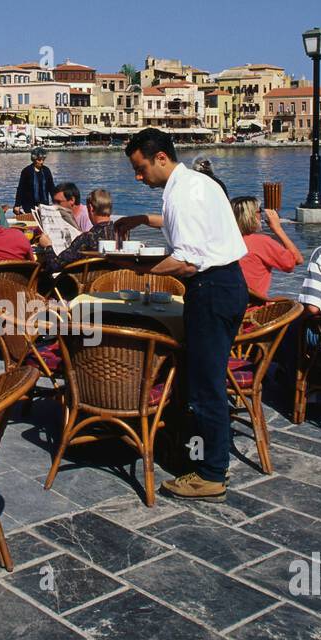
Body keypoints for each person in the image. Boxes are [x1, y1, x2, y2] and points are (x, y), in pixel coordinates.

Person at [112, 127, 247, 502]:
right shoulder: (196, 184)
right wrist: (143, 218)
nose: (138, 177)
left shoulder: (183, 194)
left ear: (160, 158)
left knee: (205, 386)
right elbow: (186, 227)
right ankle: (200, 452)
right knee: (203, 377)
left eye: (140, 169)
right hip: (228, 284)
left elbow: (187, 263)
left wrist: (137, 269)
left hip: (210, 289)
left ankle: (210, 473)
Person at [232, 195, 304, 300]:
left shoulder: (224, 242)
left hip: (228, 305)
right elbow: (297, 260)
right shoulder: (261, 242)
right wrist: (278, 229)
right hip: (254, 309)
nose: (261, 215)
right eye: (259, 211)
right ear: (251, 216)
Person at [37, 188, 117, 273]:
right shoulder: (120, 233)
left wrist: (48, 246)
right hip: (110, 282)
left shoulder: (87, 238)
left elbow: (54, 266)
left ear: (90, 208)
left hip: (81, 283)